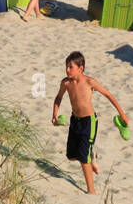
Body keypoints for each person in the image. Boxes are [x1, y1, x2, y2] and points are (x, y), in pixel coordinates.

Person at [52, 51, 128, 195]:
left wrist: (122, 114)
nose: (67, 70)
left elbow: (108, 95)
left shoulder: (89, 82)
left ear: (80, 68)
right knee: (72, 156)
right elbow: (58, 98)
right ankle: (92, 155)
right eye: (66, 67)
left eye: (70, 67)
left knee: (83, 158)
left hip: (89, 122)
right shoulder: (66, 83)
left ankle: (91, 191)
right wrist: (54, 114)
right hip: (75, 120)